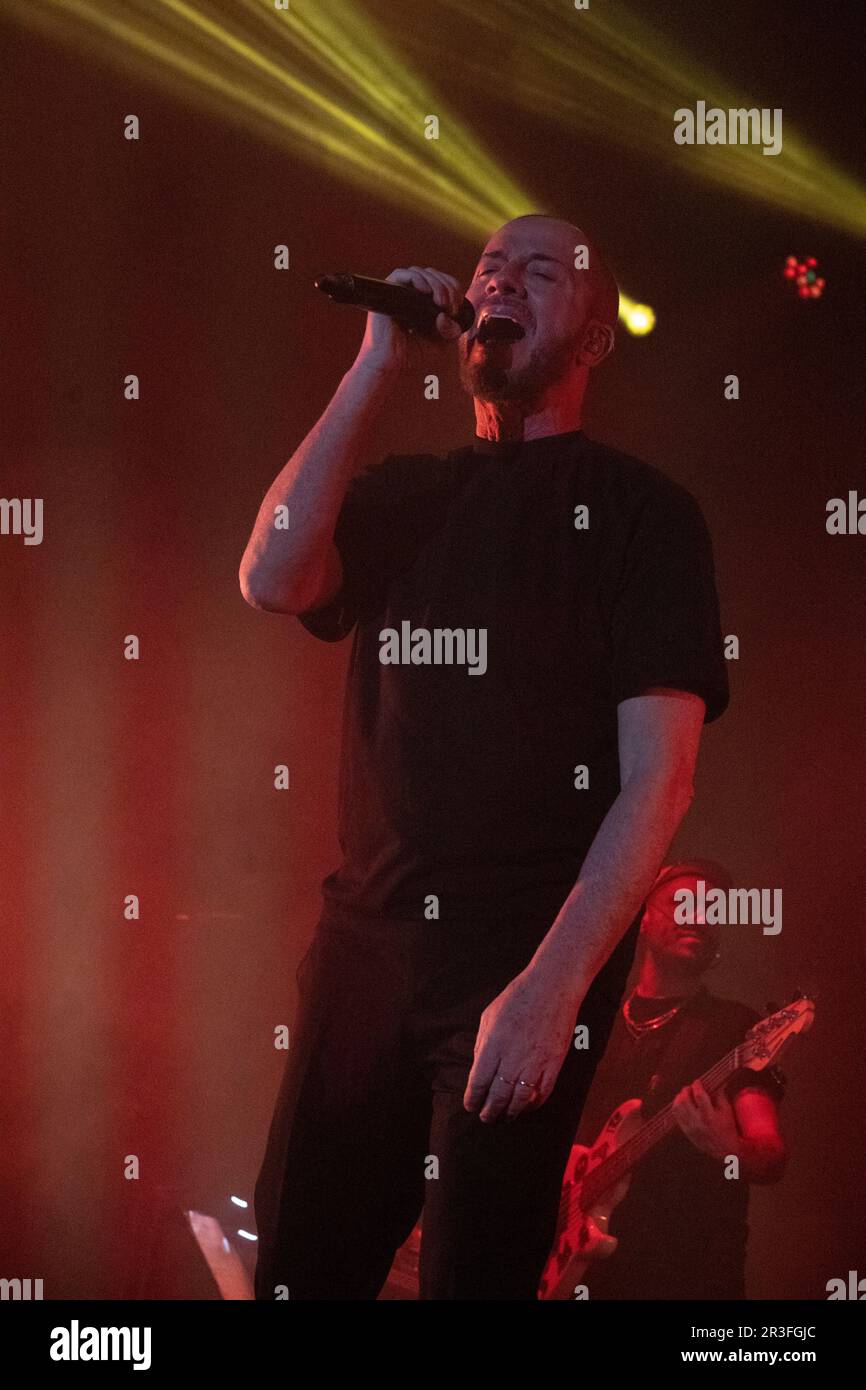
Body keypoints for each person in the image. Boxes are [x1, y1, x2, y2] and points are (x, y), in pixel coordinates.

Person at [239, 213, 730, 1299]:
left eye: (541, 271)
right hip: (363, 950)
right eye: (489, 268)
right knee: (298, 1266)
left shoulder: (647, 517)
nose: (502, 279)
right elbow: (269, 577)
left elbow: (661, 777)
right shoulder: (410, 494)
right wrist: (375, 363)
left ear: (594, 339)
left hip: (521, 963)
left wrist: (553, 986)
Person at [574, 860, 787, 1301]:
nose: (700, 916)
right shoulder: (596, 1024)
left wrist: (728, 1148)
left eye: (714, 909)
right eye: (683, 903)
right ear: (644, 920)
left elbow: (769, 1155)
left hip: (684, 1274)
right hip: (579, 1268)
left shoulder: (734, 1026)